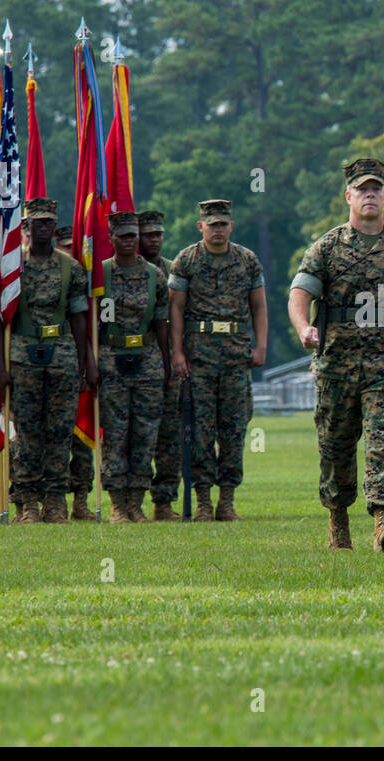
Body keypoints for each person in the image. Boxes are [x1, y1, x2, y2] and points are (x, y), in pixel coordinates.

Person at [288, 158, 384, 551]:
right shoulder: (326, 247)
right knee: (336, 446)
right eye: (362, 189)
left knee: (383, 442)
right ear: (348, 196)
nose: (369, 195)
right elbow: (300, 294)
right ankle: (338, 520)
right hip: (336, 363)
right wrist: (304, 328)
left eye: (376, 189)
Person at [168, 201, 267, 521]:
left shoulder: (247, 260)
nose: (218, 229)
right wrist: (178, 352)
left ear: (231, 226)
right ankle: (203, 503)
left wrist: (260, 347)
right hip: (200, 356)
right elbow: (176, 309)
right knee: (200, 430)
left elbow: (259, 307)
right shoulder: (187, 260)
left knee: (234, 429)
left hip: (236, 354)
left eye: (223, 224)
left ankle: (226, 501)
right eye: (212, 224)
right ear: (201, 227)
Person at [6, 198, 95, 523]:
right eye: (37, 222)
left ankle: (56, 502)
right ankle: (28, 502)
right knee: (27, 432)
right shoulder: (12, 266)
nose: (44, 228)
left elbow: (79, 319)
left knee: (59, 432)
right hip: (21, 355)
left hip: (62, 354)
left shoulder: (70, 267)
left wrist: (87, 364)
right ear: (25, 227)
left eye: (49, 222)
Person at [97, 210, 170, 523]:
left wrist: (167, 362)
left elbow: (162, 323)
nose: (129, 242)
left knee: (144, 434)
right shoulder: (101, 275)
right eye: (123, 236)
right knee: (115, 434)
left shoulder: (155, 275)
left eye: (133, 236)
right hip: (112, 361)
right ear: (112, 238)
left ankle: (137, 503)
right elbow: (98, 323)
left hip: (147, 361)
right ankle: (117, 504)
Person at [138, 210, 181, 521]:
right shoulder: (119, 270)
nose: (154, 239)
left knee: (169, 437)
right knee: (136, 435)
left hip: (167, 365)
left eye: (158, 234)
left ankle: (164, 502)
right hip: (134, 364)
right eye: (147, 234)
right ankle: (129, 502)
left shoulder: (173, 272)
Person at [56, 223, 95, 520]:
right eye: (65, 246)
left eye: (73, 246)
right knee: (47, 436)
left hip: (77, 362)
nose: (70, 252)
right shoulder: (51, 273)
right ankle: (47, 499)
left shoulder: (83, 278)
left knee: (81, 437)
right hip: (45, 362)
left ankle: (81, 499)